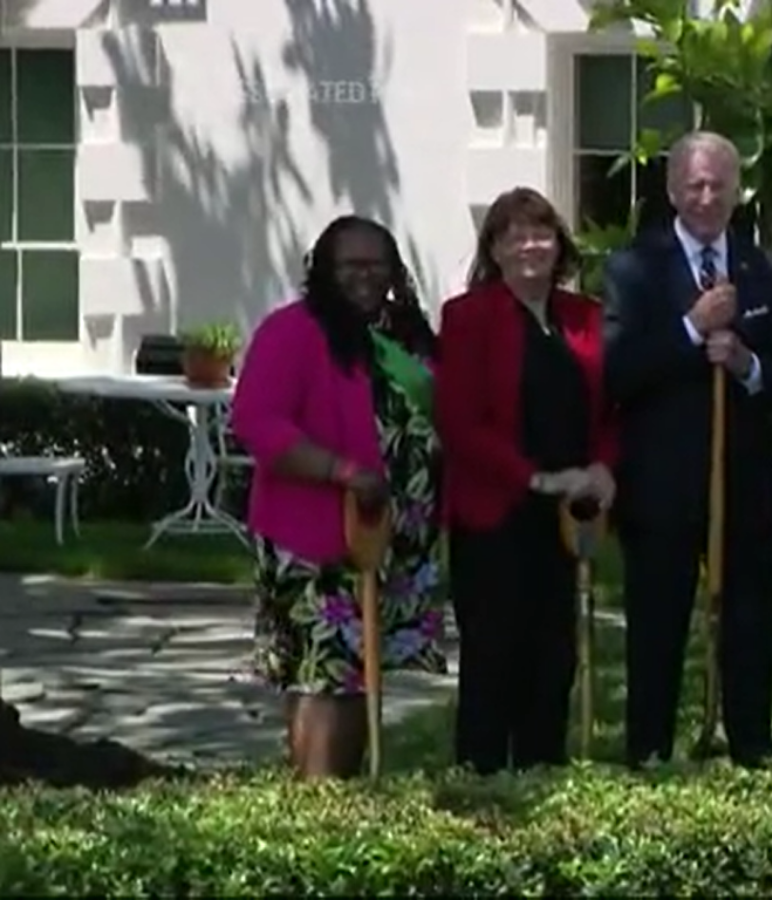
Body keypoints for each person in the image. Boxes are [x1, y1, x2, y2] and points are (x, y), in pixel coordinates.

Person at [601, 131, 772, 769]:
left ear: (737, 189)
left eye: (719, 184)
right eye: (695, 184)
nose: (707, 197)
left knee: (748, 619)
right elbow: (616, 370)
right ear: (672, 189)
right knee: (657, 619)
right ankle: (650, 749)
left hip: (742, 481)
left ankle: (750, 743)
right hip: (661, 483)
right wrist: (692, 328)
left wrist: (746, 364)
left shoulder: (765, 272)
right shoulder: (632, 270)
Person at [230, 215, 446, 780]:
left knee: (357, 673)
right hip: (316, 536)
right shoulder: (294, 331)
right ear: (322, 269)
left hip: (390, 536)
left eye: (376, 263)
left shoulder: (405, 336)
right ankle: (320, 807)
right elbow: (257, 422)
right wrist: (340, 470)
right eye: (349, 264)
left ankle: (335, 801)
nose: (364, 275)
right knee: (326, 673)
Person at [434, 186, 618, 774]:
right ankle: (482, 788)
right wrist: (536, 479)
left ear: (559, 242)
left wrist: (602, 468)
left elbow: (611, 409)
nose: (530, 246)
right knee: (494, 658)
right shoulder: (468, 319)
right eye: (515, 236)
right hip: (495, 514)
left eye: (541, 233)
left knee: (554, 658)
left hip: (567, 519)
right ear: (495, 248)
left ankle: (543, 775)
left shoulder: (584, 318)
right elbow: (461, 423)